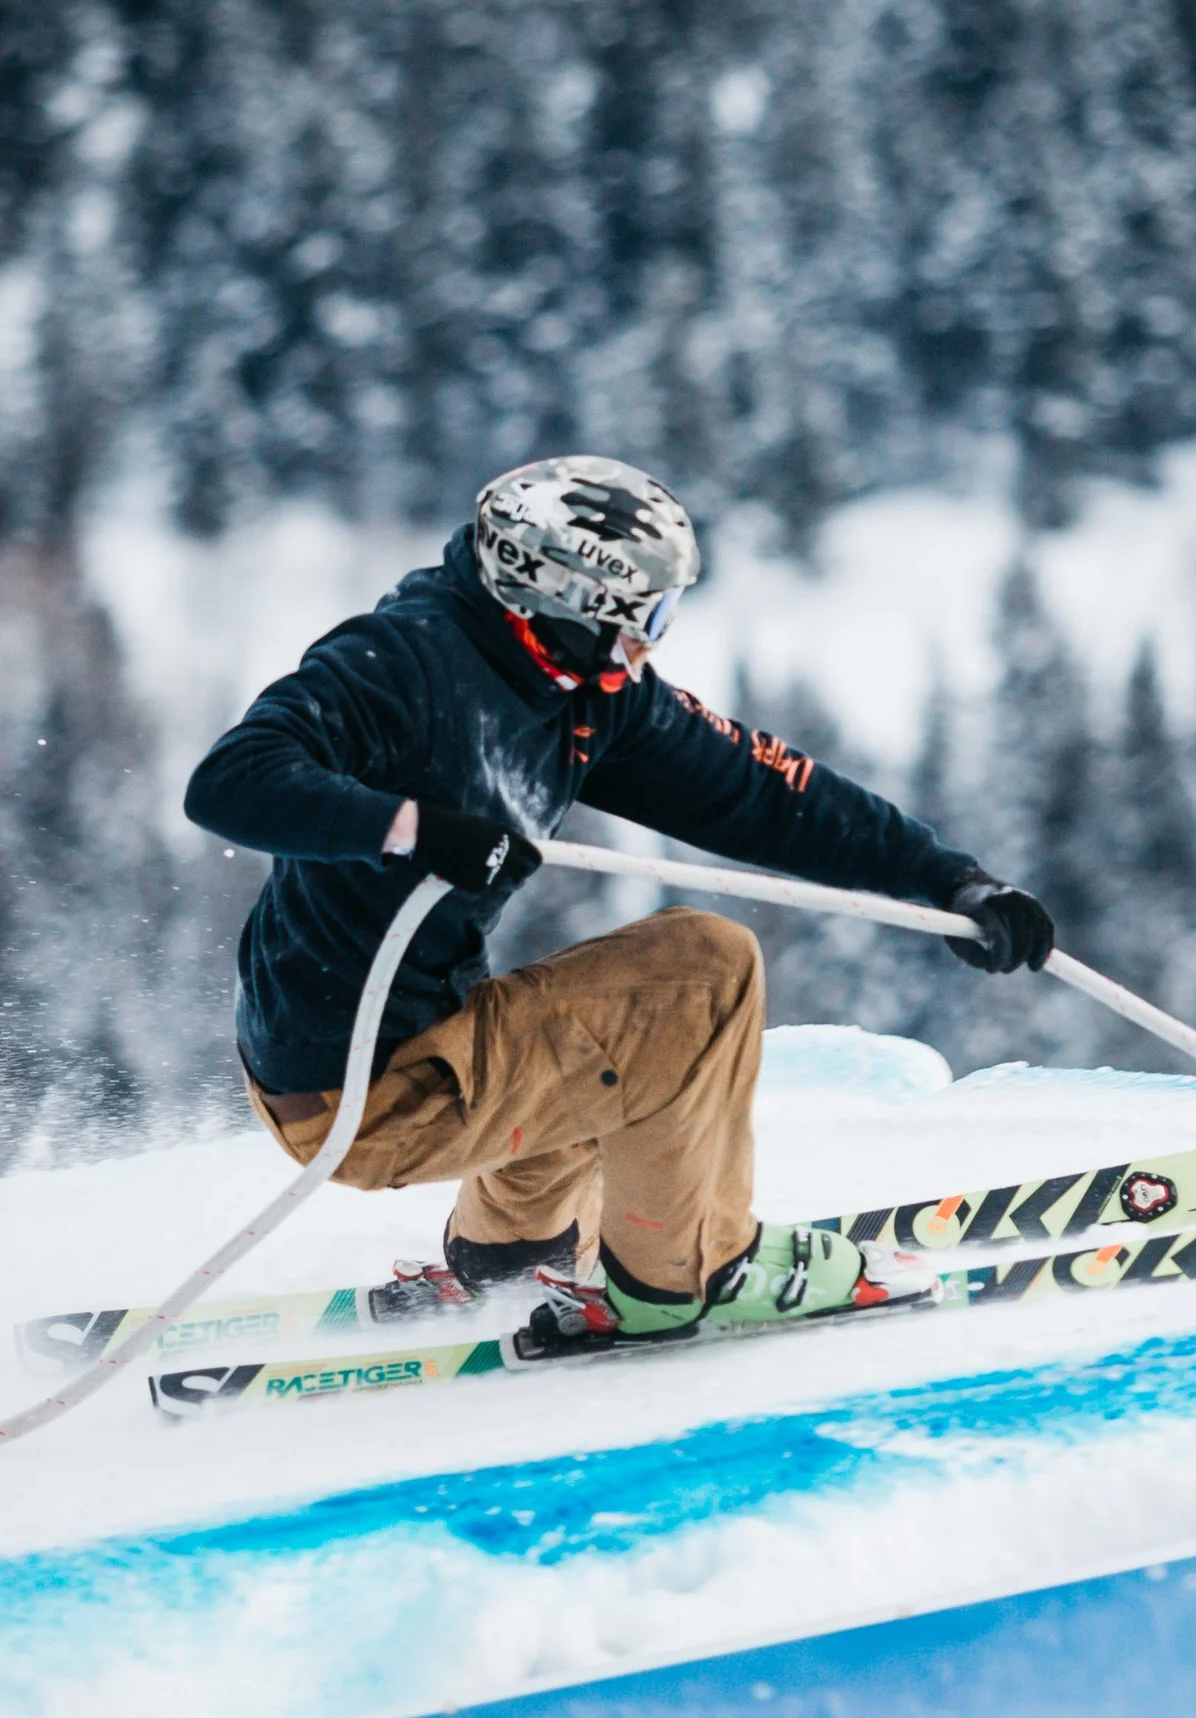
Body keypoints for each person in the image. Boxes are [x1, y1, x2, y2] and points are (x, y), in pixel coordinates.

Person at [184, 455, 1053, 1356]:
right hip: (367, 1083)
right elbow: (231, 781)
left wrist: (951, 881)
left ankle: (517, 1250)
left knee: (592, 1029)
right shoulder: (404, 665)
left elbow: (762, 792)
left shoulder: (580, 692)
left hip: (406, 1052)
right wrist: (413, 827)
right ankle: (694, 1273)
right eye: (643, 615)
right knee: (705, 974)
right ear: (560, 598)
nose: (650, 642)